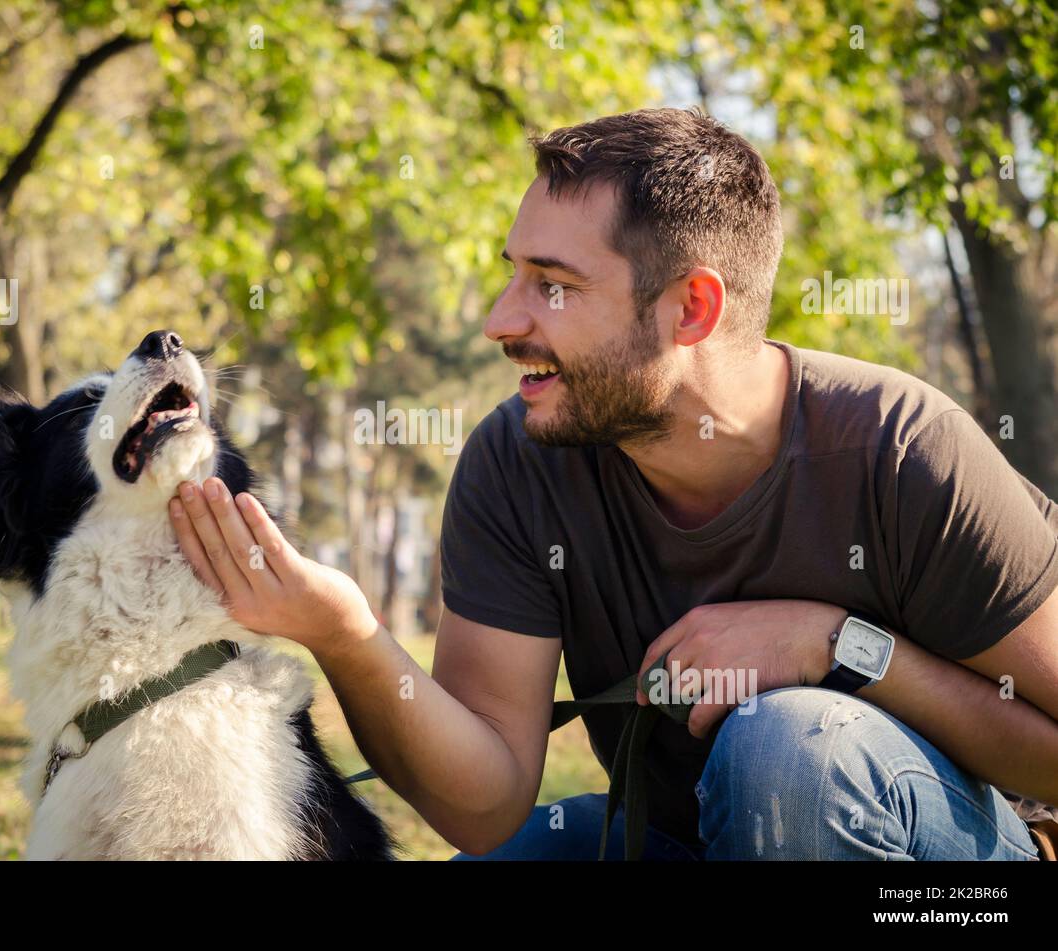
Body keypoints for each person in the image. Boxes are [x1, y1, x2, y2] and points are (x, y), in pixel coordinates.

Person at [168, 107, 1056, 860]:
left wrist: (840, 647)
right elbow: (486, 802)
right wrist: (348, 633)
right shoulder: (518, 459)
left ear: (691, 310)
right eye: (513, 271)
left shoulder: (905, 452)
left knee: (790, 748)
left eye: (551, 286)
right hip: (690, 838)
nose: (500, 320)